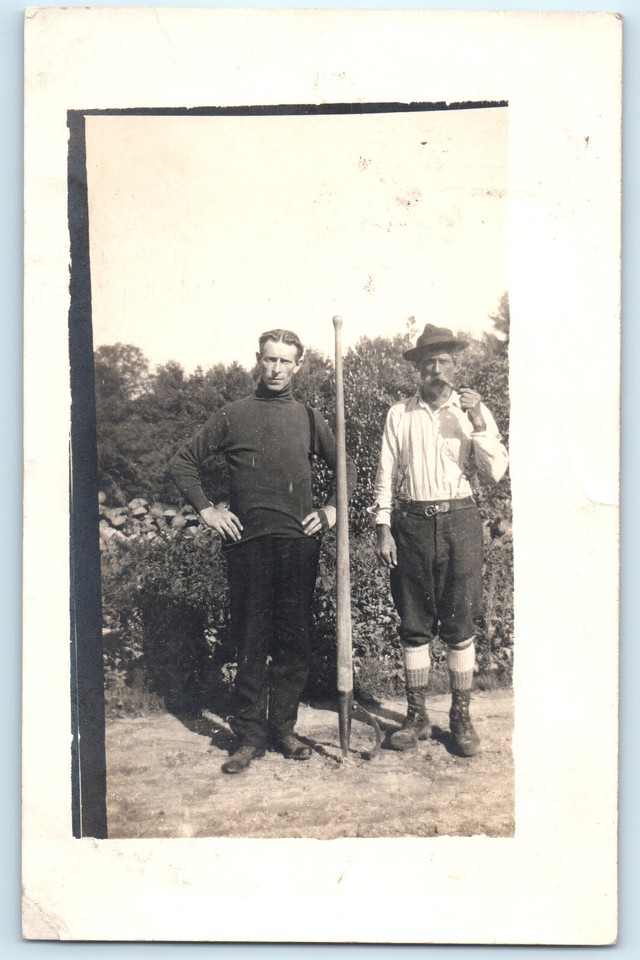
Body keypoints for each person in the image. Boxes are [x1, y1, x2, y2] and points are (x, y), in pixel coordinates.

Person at [169, 329, 357, 774]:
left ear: (298, 366)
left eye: (284, 362)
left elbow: (344, 466)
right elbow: (182, 462)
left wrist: (330, 511)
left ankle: (284, 729)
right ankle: (250, 737)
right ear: (258, 360)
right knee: (250, 639)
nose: (275, 369)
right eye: (269, 360)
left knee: (293, 639)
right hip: (246, 545)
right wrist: (208, 510)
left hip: (298, 544)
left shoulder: (310, 418)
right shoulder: (233, 415)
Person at [371, 323, 508, 756]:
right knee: (414, 625)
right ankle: (416, 717)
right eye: (428, 361)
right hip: (411, 524)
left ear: (455, 365)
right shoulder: (399, 413)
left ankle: (461, 716)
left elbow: (497, 471)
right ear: (418, 368)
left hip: (461, 521)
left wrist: (478, 419)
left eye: (444, 361)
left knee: (459, 624)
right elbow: (385, 474)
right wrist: (382, 525)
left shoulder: (471, 414)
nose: (436, 369)